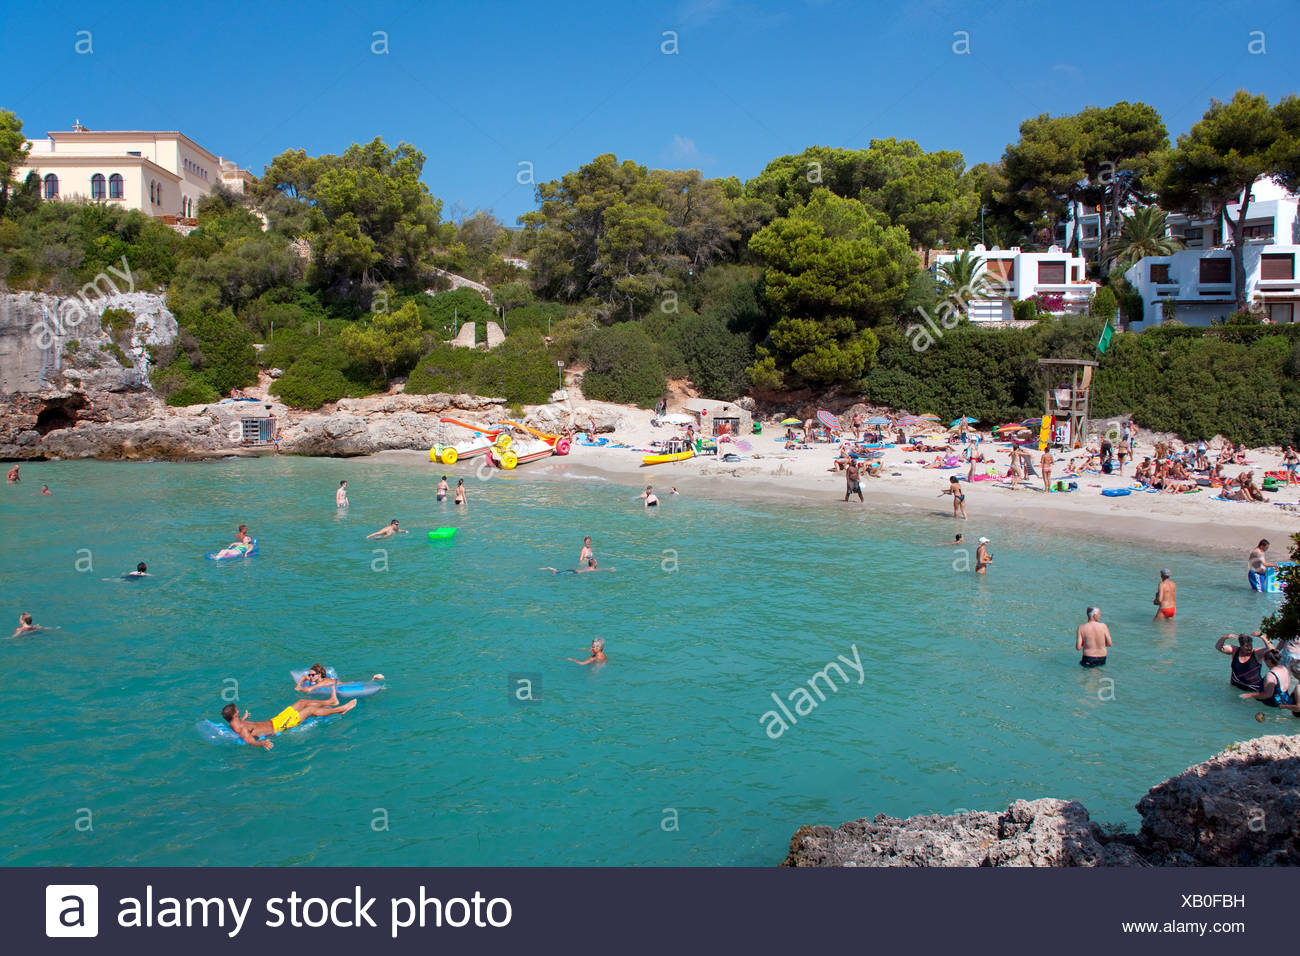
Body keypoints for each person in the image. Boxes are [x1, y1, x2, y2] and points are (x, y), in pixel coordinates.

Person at [220, 696, 356, 750]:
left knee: (302, 702)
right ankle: (341, 709)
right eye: (237, 710)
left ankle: (330, 702)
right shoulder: (242, 729)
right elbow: (249, 740)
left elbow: (242, 726)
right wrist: (262, 743)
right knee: (311, 710)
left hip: (275, 720)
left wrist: (244, 717)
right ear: (235, 714)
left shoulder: (235, 723)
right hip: (279, 726)